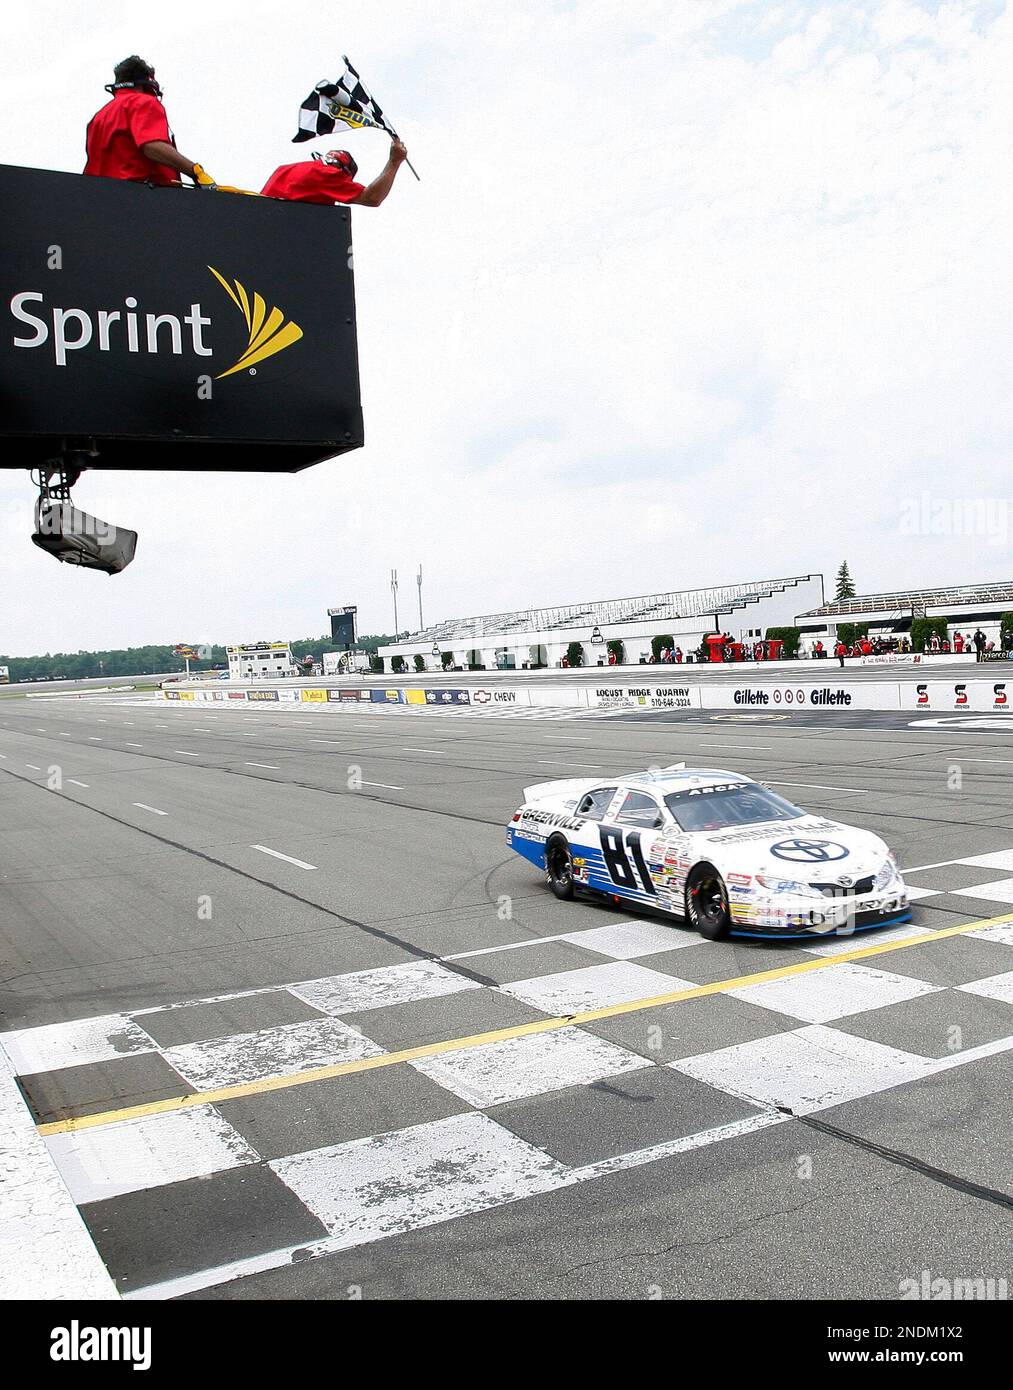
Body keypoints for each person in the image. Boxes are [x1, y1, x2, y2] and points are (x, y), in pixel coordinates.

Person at [85, 56, 213, 187]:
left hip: (99, 198)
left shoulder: (98, 117)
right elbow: (152, 146)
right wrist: (195, 171)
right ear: (146, 83)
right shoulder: (142, 102)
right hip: (141, 197)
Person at [262, 141, 408, 206]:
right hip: (290, 241)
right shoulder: (327, 175)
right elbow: (372, 198)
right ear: (343, 170)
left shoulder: (284, 169)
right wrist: (394, 162)